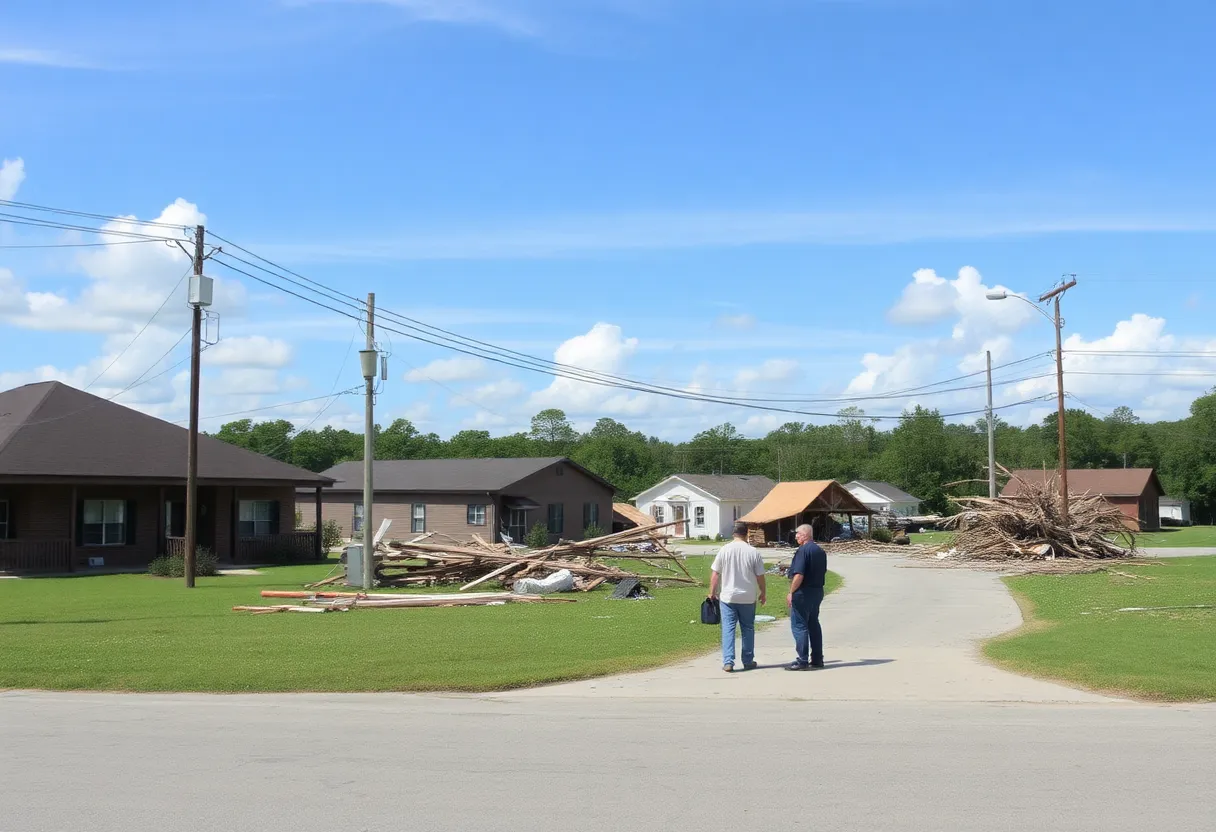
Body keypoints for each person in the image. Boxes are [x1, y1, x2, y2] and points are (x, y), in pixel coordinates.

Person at [708, 521, 767, 673]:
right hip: (747, 596)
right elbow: (760, 575)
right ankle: (747, 660)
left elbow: (715, 574)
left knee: (728, 628)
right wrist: (763, 592)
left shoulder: (724, 550)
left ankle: (728, 661)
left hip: (728, 596)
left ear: (734, 533)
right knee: (748, 628)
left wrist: (712, 592)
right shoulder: (753, 552)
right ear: (746, 533)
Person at [786, 523, 826, 670]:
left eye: (798, 533)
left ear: (805, 535)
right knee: (813, 624)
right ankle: (817, 658)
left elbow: (799, 575)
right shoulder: (820, 551)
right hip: (817, 591)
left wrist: (791, 592)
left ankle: (802, 660)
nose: (796, 536)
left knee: (800, 625)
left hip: (803, 592)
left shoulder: (803, 551)